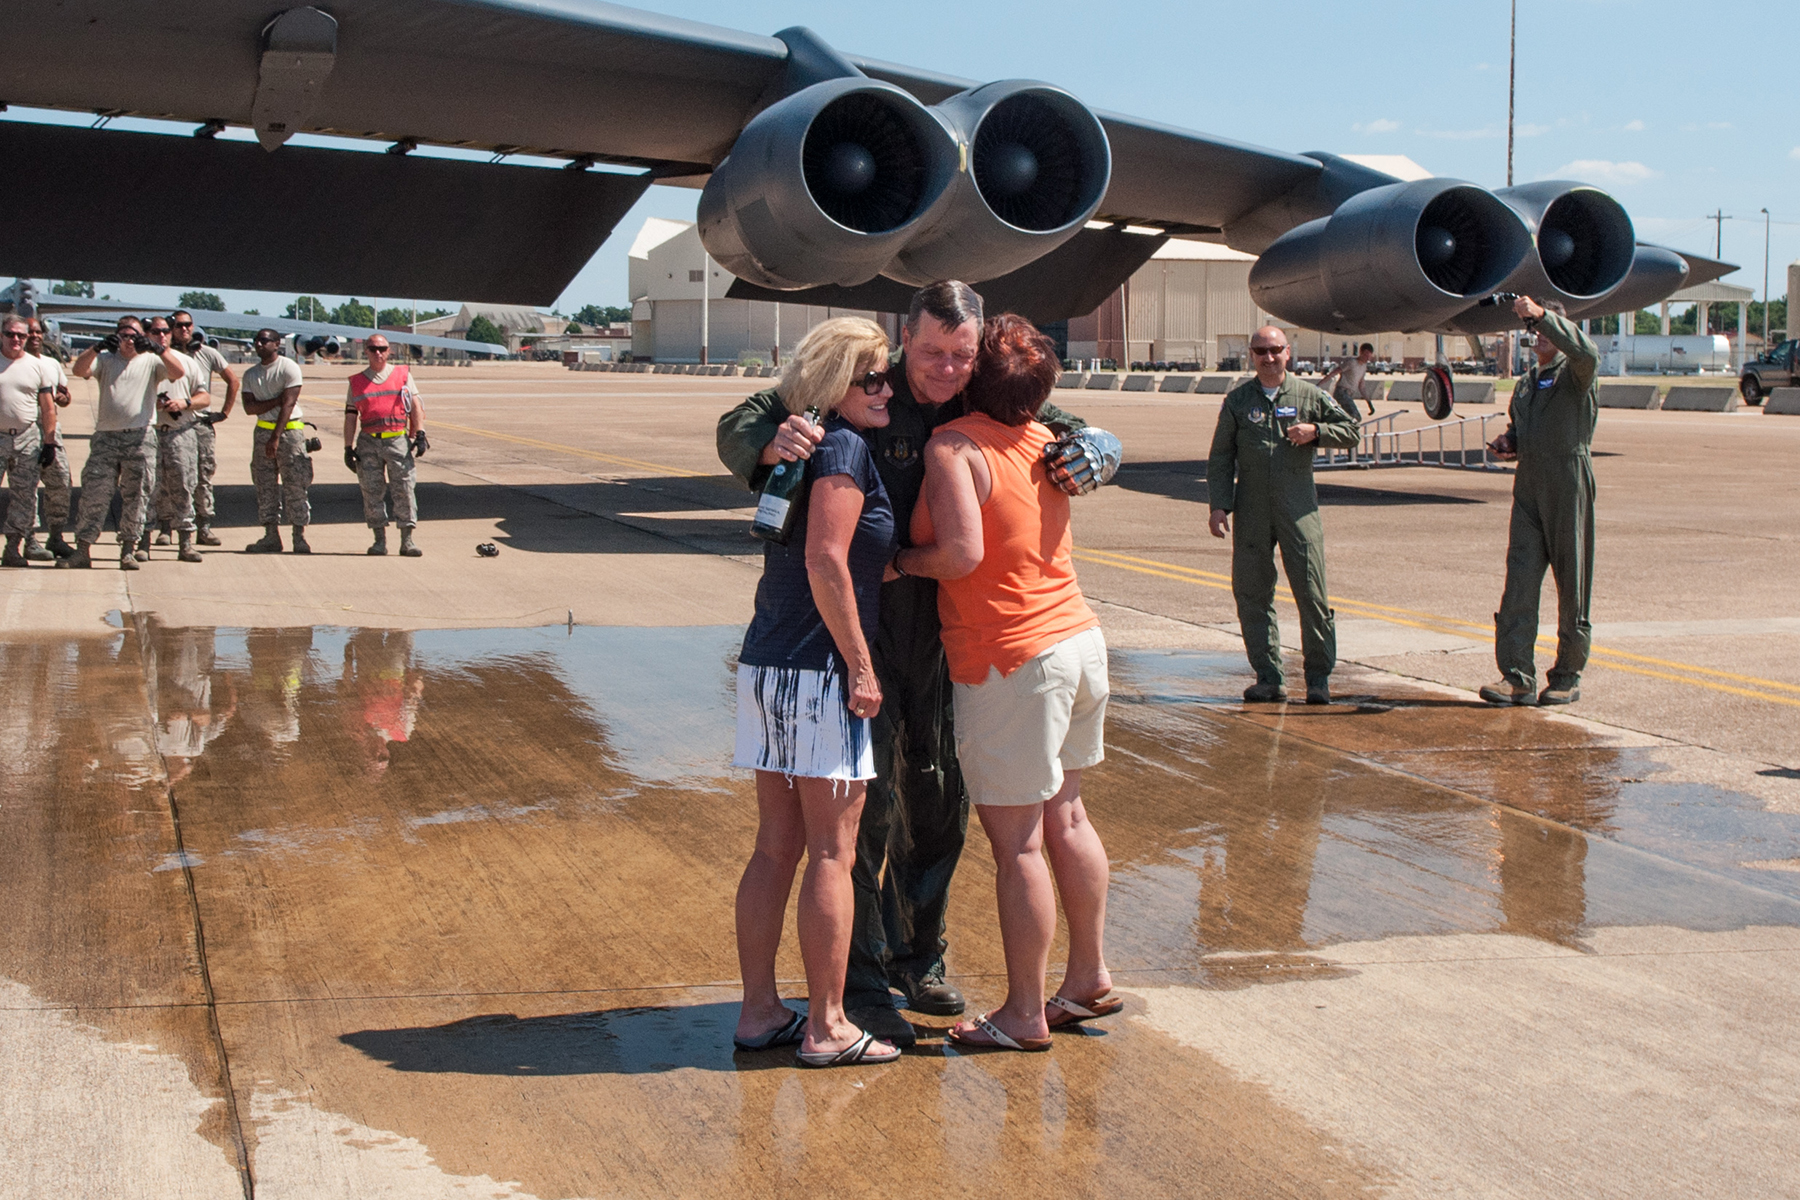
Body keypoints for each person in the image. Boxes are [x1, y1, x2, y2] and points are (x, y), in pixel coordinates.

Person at [716, 281, 1119, 1048]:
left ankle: (918, 957)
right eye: (930, 352)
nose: (943, 369)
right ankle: (860, 979)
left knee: (939, 798)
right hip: (862, 627)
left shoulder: (981, 395)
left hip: (943, 631)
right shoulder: (864, 383)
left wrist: (1104, 447)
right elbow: (746, 421)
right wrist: (769, 447)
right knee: (856, 816)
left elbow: (1067, 425)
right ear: (908, 336)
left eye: (959, 357)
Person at [893, 314, 1118, 1052]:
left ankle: (1022, 1014)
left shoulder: (953, 446)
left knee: (1018, 846)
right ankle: (1086, 977)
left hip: (1011, 659)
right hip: (1078, 638)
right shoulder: (1047, 441)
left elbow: (958, 554)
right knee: (1071, 820)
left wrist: (899, 562)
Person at [731, 316, 902, 1069]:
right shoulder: (842, 447)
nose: (885, 389)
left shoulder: (804, 447)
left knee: (776, 848)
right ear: (837, 382)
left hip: (770, 660)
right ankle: (828, 1026)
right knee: (832, 852)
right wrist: (863, 668)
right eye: (871, 378)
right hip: (820, 672)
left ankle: (760, 1011)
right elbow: (826, 561)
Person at [1206, 325, 1361, 705]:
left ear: (1288, 353)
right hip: (1252, 510)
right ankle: (1269, 677)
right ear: (1252, 356)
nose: (1268, 357)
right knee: (1252, 593)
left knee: (1311, 592)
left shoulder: (1309, 395)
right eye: (1260, 351)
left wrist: (1317, 431)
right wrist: (1218, 505)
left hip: (1299, 509)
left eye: (1275, 350)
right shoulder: (1239, 401)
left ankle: (1318, 678)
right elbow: (1221, 457)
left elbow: (1352, 431)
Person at [1480, 296, 1597, 707]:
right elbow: (1519, 425)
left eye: (1547, 330)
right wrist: (1509, 442)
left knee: (1573, 580)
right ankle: (1516, 676)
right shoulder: (1528, 381)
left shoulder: (1577, 372)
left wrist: (1544, 315)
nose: (1540, 336)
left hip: (1568, 480)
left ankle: (1567, 673)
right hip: (1528, 483)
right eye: (1535, 331)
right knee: (1520, 579)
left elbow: (1586, 350)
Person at [62, 316, 185, 571]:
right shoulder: (106, 360)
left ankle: (129, 548)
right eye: (124, 335)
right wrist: (97, 347)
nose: (129, 341)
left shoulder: (151, 361)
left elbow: (177, 372)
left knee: (137, 496)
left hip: (139, 437)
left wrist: (157, 347)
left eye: (134, 335)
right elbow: (78, 370)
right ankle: (83, 549)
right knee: (94, 494)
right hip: (106, 437)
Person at [343, 335, 428, 557]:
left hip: (396, 440)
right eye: (373, 349)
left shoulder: (402, 375)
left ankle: (407, 541)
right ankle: (379, 541)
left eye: (382, 349)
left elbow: (415, 405)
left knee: (404, 489)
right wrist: (347, 447)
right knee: (371, 491)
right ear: (366, 352)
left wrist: (420, 434)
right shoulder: (357, 382)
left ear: (389, 351)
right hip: (368, 442)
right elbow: (350, 416)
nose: (377, 353)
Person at [168, 311, 240, 547]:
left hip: (199, 422)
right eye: (179, 325)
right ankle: (164, 525)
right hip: (170, 423)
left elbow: (233, 380)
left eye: (188, 325)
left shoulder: (207, 353)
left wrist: (224, 412)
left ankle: (204, 525)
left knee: (203, 475)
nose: (184, 329)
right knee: (168, 476)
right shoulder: (165, 355)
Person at [142, 316, 208, 563]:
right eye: (155, 331)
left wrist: (184, 403)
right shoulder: (140, 362)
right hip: (149, 432)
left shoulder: (186, 363)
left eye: (165, 331)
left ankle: (185, 543)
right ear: (146, 334)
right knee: (147, 489)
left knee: (183, 487)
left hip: (180, 432)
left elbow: (205, 397)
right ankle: (143, 542)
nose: (161, 335)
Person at [240, 328, 311, 554]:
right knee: (265, 486)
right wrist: (277, 400)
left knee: (295, 485)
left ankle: (299, 536)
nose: (259, 344)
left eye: (264, 340)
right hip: (262, 432)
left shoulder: (288, 367)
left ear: (276, 343)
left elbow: (289, 405)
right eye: (257, 341)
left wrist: (276, 437)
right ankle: (271, 535)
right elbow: (250, 408)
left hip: (289, 434)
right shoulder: (250, 375)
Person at [0, 316, 55, 568]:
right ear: (1, 334)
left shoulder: (36, 366)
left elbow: (47, 407)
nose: (16, 339)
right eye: (10, 334)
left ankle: (13, 548)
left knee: (25, 497)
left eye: (20, 336)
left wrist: (49, 441)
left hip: (26, 438)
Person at [23, 317, 74, 560]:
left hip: (50, 430)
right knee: (26, 488)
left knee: (61, 482)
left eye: (38, 332)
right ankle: (29, 539)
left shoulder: (52, 364)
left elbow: (64, 395)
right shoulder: (12, 362)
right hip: (23, 430)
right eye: (29, 332)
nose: (34, 336)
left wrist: (63, 399)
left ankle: (56, 536)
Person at [1319, 342, 1379, 416]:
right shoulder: (1351, 362)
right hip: (1341, 392)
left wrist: (1369, 403)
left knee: (1347, 416)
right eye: (1365, 355)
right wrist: (1318, 385)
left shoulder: (1364, 367)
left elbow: (1362, 387)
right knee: (1355, 416)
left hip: (1349, 394)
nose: (1367, 358)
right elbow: (1333, 373)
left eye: (1369, 356)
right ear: (1361, 352)